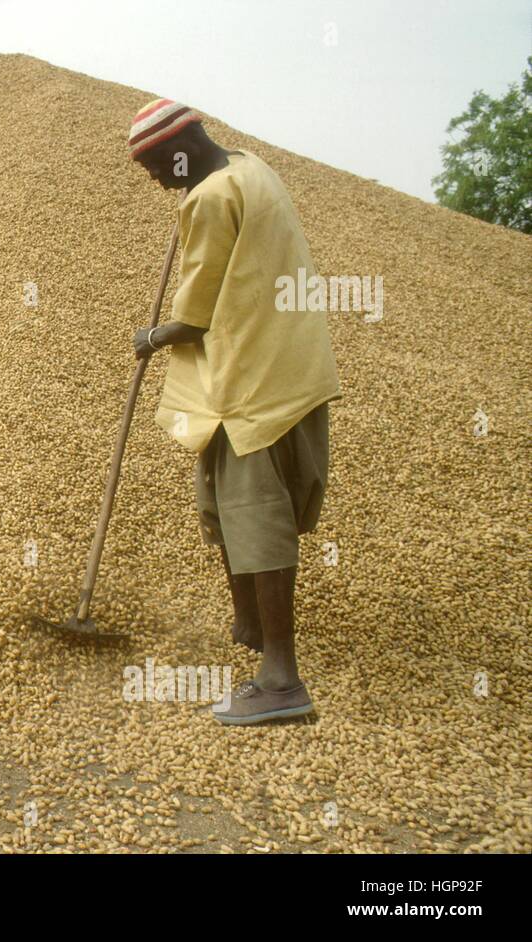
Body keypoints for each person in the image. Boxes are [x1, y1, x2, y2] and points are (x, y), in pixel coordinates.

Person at [128, 98, 341, 725]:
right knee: (224, 504)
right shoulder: (252, 169)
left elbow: (194, 318)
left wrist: (152, 337)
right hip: (288, 368)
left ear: (181, 148)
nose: (159, 183)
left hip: (249, 387)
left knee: (255, 518)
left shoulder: (209, 197)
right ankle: (250, 624)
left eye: (158, 170)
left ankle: (280, 681)